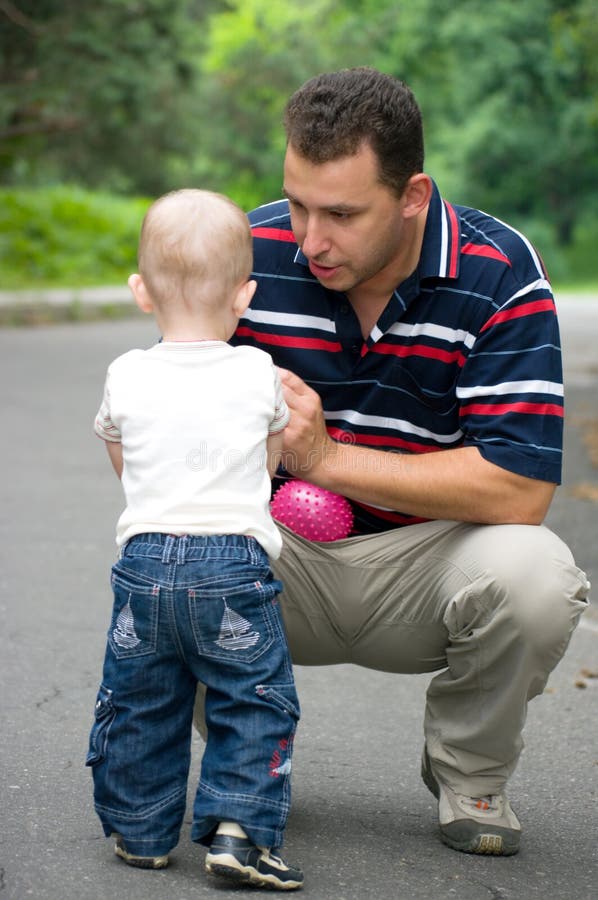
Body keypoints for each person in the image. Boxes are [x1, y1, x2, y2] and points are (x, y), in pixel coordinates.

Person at [230, 67, 590, 856]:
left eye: (342, 214)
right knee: (167, 555)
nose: (309, 240)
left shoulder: (498, 273)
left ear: (413, 197)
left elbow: (522, 490)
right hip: (279, 561)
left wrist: (324, 458)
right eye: (296, 204)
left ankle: (470, 773)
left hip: (429, 565)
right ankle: (242, 765)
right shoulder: (249, 254)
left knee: (536, 573)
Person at [86, 189, 303, 890]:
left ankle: (141, 831)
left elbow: (126, 459)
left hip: (144, 558)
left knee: (141, 696)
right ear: (245, 295)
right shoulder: (258, 371)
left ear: (140, 292)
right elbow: (268, 463)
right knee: (251, 697)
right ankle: (238, 830)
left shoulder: (126, 372)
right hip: (233, 562)